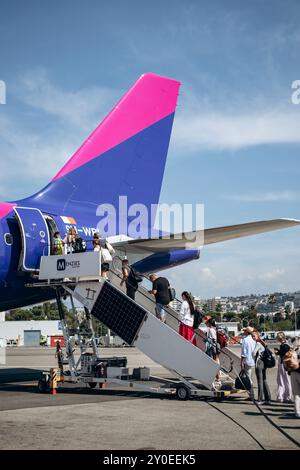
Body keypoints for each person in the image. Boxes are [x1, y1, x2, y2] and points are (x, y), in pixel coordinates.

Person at [251, 331, 271, 405]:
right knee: (264, 380)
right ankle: (268, 398)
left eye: (254, 336)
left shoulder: (258, 343)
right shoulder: (263, 342)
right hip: (264, 363)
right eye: (252, 336)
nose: (253, 337)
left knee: (260, 382)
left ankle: (260, 399)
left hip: (259, 363)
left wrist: (253, 355)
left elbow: (253, 353)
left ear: (257, 336)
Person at [274, 332, 292, 403]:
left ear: (280, 338)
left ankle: (284, 396)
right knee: (285, 380)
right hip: (285, 364)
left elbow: (283, 354)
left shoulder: (284, 345)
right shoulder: (286, 344)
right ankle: (285, 396)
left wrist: (277, 352)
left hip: (284, 364)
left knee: (283, 380)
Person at [283, 348, 300, 418]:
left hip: (293, 374)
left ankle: (297, 411)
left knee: (296, 394)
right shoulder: (295, 354)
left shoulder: (287, 357)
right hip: (298, 372)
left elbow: (287, 368)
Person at [240, 326, 256, 400]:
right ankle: (251, 394)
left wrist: (241, 362)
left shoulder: (245, 340)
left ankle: (251, 394)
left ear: (247, 332)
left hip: (247, 360)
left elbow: (244, 353)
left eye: (245, 331)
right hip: (253, 360)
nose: (244, 332)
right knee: (250, 377)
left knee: (248, 378)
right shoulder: (253, 339)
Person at [203, 315, 221, 383]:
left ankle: (217, 377)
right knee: (215, 361)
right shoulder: (214, 328)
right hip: (214, 347)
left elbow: (213, 339)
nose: (206, 323)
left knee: (213, 362)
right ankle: (217, 377)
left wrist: (207, 339)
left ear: (209, 323)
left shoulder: (210, 329)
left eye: (207, 322)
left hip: (211, 347)